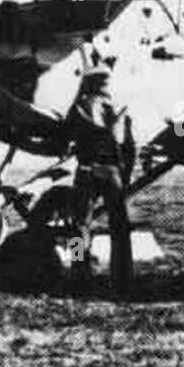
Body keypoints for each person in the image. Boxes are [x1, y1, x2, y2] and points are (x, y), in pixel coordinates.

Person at [61, 66, 135, 289]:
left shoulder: (79, 106)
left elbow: (66, 134)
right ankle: (122, 275)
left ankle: (78, 271)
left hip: (86, 170)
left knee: (79, 225)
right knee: (120, 226)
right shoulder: (120, 109)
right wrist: (126, 174)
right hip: (112, 172)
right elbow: (130, 147)